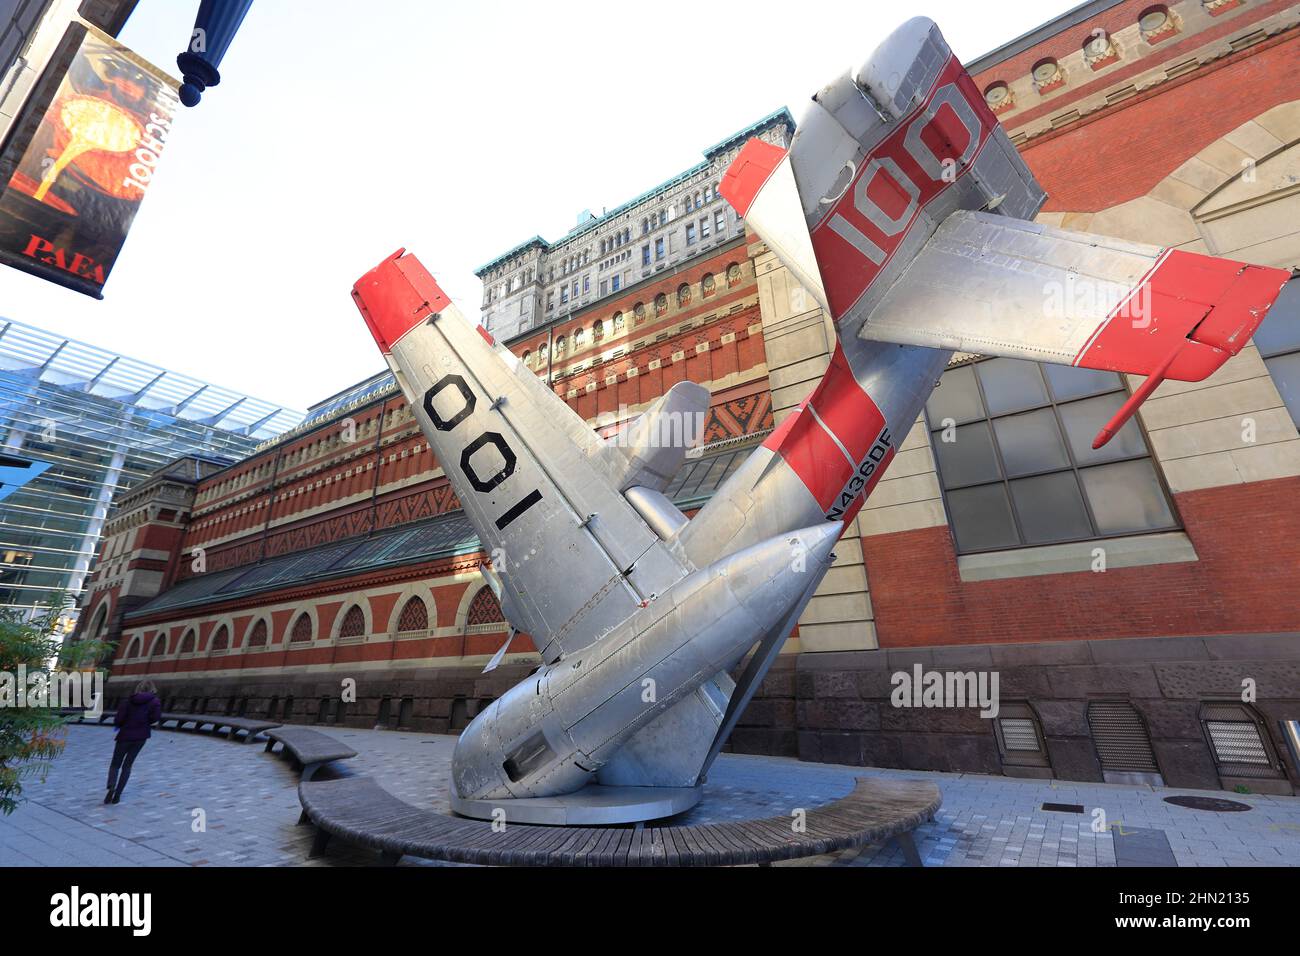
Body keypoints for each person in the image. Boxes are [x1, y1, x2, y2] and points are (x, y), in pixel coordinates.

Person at [105, 679, 161, 804]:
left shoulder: (128, 701)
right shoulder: (155, 702)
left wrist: (121, 724)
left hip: (125, 735)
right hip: (141, 737)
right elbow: (155, 718)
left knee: (115, 763)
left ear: (138, 689)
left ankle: (111, 786)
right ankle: (118, 794)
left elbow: (118, 719)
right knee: (128, 765)